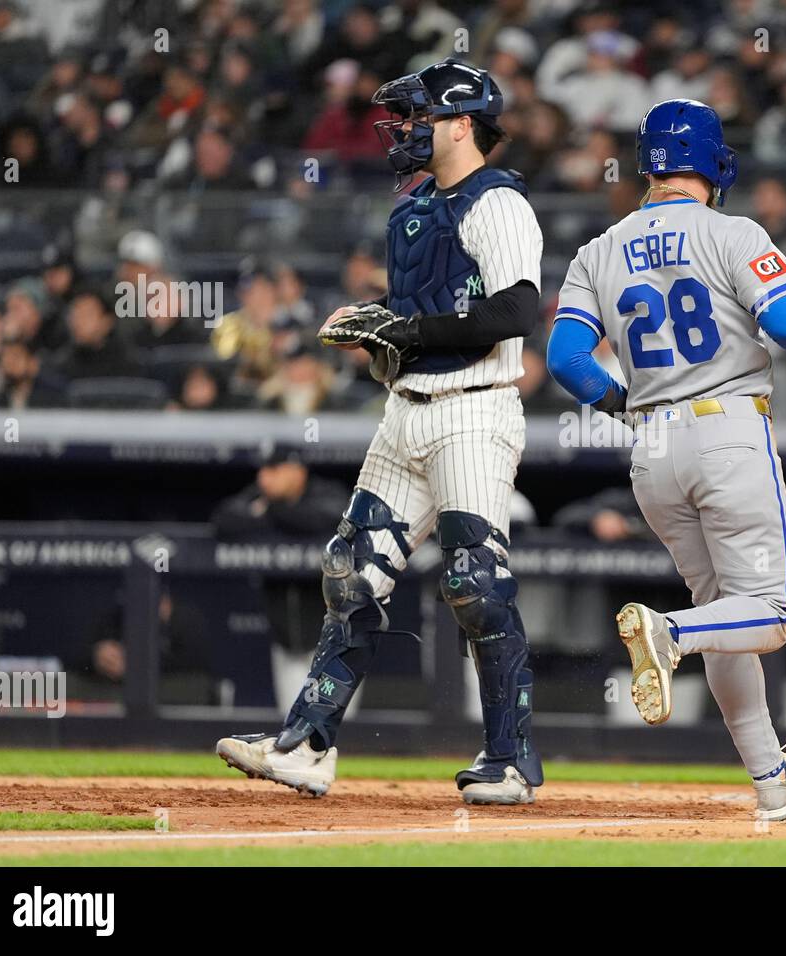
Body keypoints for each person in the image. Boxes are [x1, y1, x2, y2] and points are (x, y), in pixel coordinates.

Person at [218, 59, 546, 806]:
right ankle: (306, 745)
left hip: (475, 406)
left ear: (463, 125)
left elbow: (516, 313)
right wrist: (376, 329)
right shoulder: (411, 208)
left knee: (475, 584)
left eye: (420, 117)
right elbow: (424, 319)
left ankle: (511, 758)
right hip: (406, 406)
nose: (404, 129)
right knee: (351, 573)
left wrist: (407, 326)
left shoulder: (498, 203)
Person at [547, 98, 786, 822]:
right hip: (728, 430)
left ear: (648, 167)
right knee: (768, 613)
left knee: (727, 615)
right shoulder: (733, 231)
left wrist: (624, 406)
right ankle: (667, 633)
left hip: (652, 448)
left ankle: (772, 778)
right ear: (713, 164)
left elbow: (567, 361)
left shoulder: (598, 249)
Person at [212, 445, 350, 713]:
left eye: (274, 470)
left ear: (297, 471)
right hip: (287, 640)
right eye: (263, 470)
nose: (265, 477)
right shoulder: (256, 494)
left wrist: (271, 511)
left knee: (340, 723)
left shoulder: (326, 492)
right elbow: (223, 520)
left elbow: (325, 519)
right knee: (295, 722)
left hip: (338, 637)